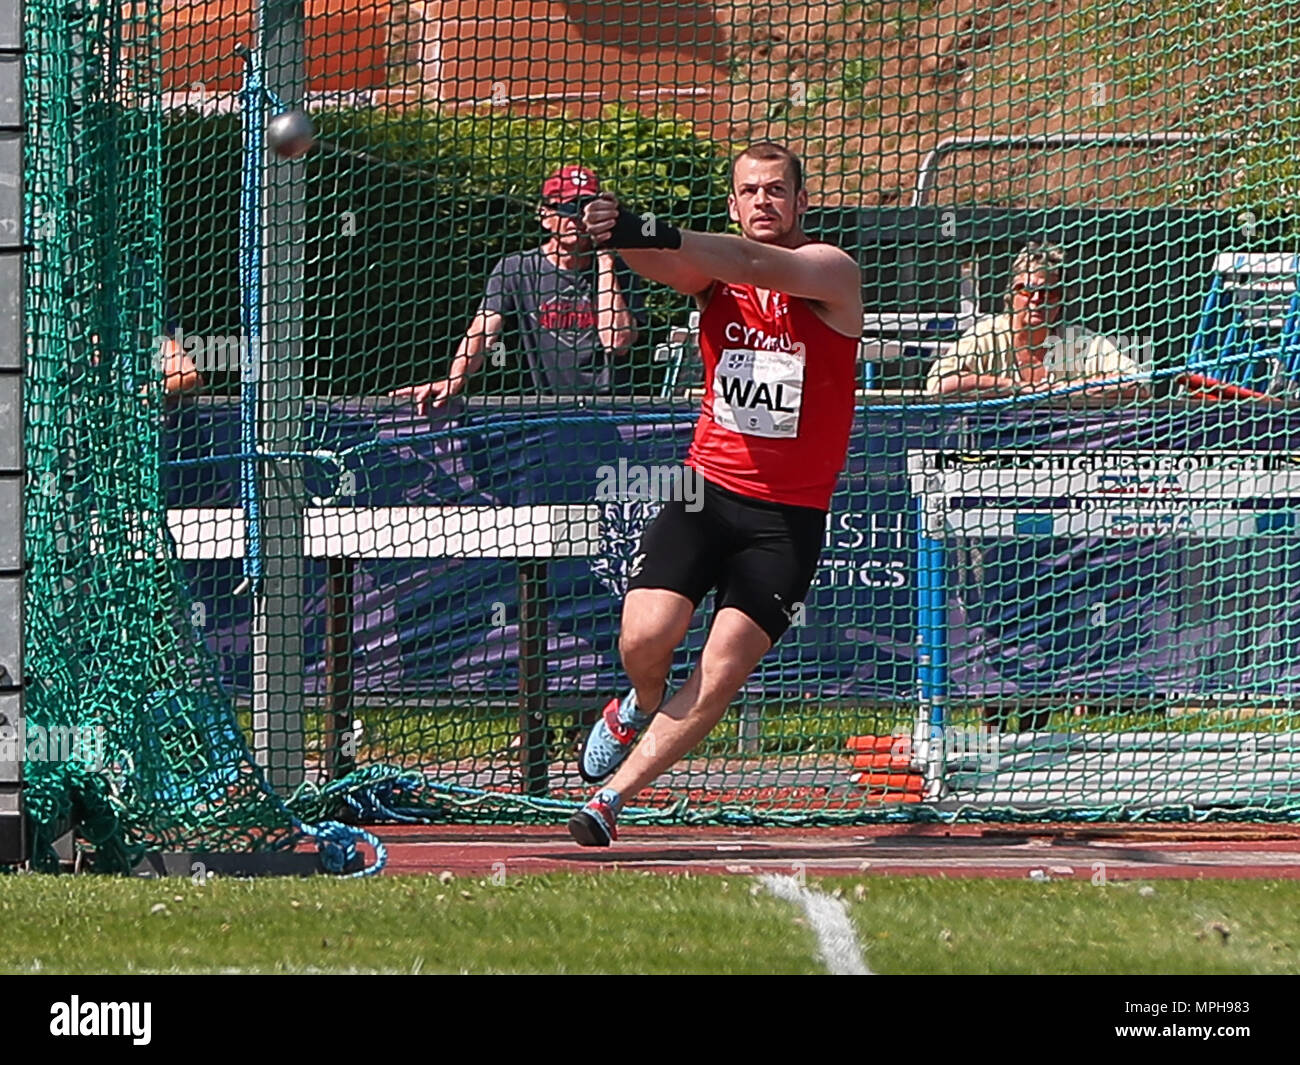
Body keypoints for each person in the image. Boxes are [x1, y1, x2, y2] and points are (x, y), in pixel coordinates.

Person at [565, 141, 863, 846]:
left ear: (800, 201)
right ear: (732, 204)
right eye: (749, 191)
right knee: (645, 634)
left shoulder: (830, 272)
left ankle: (611, 798)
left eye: (776, 190)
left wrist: (648, 226)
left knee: (722, 665)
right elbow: (665, 263)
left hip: (786, 519)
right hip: (705, 492)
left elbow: (756, 262)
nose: (763, 201)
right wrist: (620, 231)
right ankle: (636, 704)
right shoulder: (713, 279)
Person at [391, 165, 644, 412]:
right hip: (543, 412)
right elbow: (483, 330)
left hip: (610, 412)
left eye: (586, 209)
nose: (576, 219)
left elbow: (617, 341)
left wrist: (606, 259)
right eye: (568, 208)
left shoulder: (620, 269)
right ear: (545, 215)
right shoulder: (517, 268)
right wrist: (455, 379)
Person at [924, 242, 1149, 402]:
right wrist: (1012, 387)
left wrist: (1070, 391)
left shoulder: (1080, 341)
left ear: (1060, 300)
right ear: (1010, 295)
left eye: (1049, 292)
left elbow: (1137, 384)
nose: (1037, 300)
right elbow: (940, 384)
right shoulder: (985, 335)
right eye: (1027, 290)